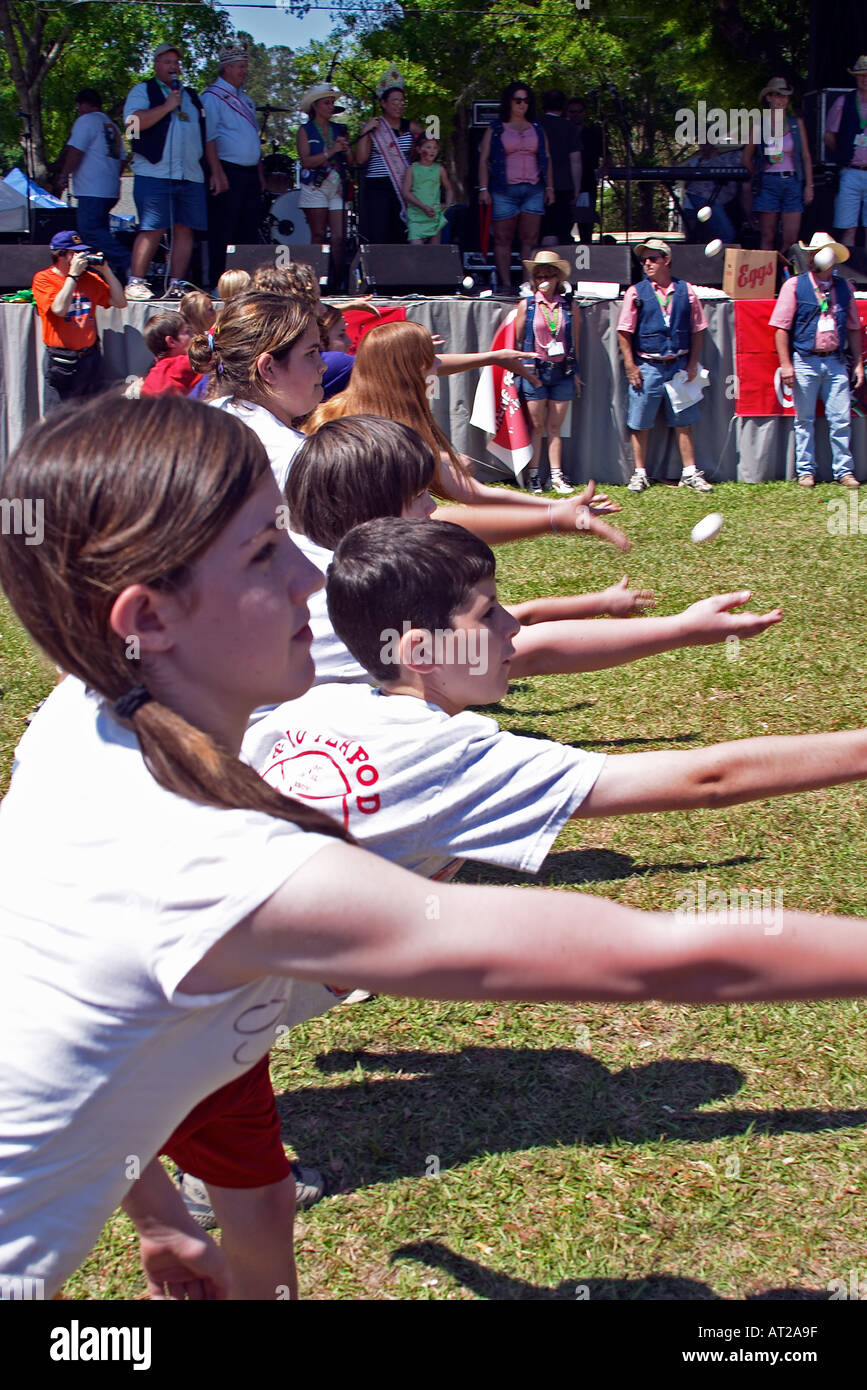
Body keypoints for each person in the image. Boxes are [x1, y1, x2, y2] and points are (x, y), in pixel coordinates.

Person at [190, 290, 325, 490]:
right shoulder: (295, 456)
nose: (323, 366)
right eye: (311, 353)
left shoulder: (202, 422)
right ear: (268, 368)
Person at [123, 42, 226, 302]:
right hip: (155, 171)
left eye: (176, 63)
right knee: (152, 227)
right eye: (167, 62)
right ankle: (136, 281)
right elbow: (132, 125)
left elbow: (208, 137)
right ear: (156, 65)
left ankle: (178, 284)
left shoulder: (191, 96)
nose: (173, 67)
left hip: (190, 174)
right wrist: (167, 106)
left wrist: (215, 170)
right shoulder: (142, 90)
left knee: (185, 229)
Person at [617, 238, 713, 493]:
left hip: (679, 364)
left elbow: (698, 329)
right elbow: (624, 331)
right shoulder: (636, 292)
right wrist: (630, 365)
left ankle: (690, 472)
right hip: (647, 364)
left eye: (652, 259)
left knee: (684, 420)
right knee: (640, 422)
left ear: (666, 260)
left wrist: (692, 363)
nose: (647, 264)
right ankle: (639, 473)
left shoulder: (687, 290)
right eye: (644, 260)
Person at [770, 232, 864, 488]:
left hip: (835, 361)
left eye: (818, 253)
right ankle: (805, 471)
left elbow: (854, 328)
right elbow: (781, 328)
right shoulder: (794, 285)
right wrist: (786, 364)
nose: (813, 258)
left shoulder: (844, 287)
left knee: (841, 419)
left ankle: (844, 471)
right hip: (805, 360)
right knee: (804, 420)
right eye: (811, 253)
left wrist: (857, 363)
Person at [31, 229, 126, 407]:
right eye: (75, 253)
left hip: (89, 358)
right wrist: (72, 276)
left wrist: (106, 271)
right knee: (58, 418)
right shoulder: (43, 279)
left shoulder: (90, 278)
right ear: (61, 255)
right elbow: (59, 309)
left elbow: (120, 302)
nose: (82, 256)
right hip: (62, 360)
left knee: (89, 416)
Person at [514, 251, 581, 495]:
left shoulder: (569, 306)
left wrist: (576, 372)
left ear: (558, 278)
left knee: (555, 427)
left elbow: (575, 339)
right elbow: (519, 339)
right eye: (539, 274)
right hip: (535, 370)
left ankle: (555, 476)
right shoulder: (527, 305)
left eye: (549, 274)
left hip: (562, 370)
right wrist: (520, 370)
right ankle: (534, 476)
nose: (543, 279)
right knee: (537, 426)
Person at [201, 43, 266, 289]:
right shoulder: (212, 97)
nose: (244, 71)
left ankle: (245, 283)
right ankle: (221, 284)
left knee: (247, 229)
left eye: (246, 66)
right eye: (240, 66)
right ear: (226, 68)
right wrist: (216, 172)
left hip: (249, 173)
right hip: (227, 170)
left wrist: (259, 171)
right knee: (224, 229)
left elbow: (252, 137)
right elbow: (210, 137)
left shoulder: (246, 100)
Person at [478, 82, 554, 292]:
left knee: (529, 239)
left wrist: (549, 187)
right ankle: (505, 284)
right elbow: (484, 159)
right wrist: (483, 189)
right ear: (509, 102)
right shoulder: (496, 128)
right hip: (504, 190)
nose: (522, 104)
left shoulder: (537, 128)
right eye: (518, 100)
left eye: (526, 100)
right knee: (503, 239)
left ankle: (527, 285)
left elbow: (547, 157)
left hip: (533, 189)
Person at [53, 88, 131, 281]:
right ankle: (104, 275)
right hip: (110, 188)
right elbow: (122, 160)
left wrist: (64, 174)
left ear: (83, 104)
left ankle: (127, 260)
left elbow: (76, 150)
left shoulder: (86, 121)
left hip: (92, 189)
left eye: (79, 106)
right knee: (98, 233)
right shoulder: (111, 125)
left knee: (90, 232)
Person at [742, 77, 812, 252]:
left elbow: (805, 155)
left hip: (793, 181)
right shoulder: (760, 124)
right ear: (769, 98)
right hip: (769, 183)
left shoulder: (796, 123)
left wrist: (809, 186)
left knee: (791, 238)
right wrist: (759, 175)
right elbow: (746, 157)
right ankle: (766, 276)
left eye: (785, 96)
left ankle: (787, 276)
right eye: (778, 95)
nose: (782, 100)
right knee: (768, 235)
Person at [353, 67, 422, 244]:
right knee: (380, 235)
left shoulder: (410, 126)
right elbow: (360, 158)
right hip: (378, 186)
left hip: (402, 185)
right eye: (394, 101)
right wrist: (366, 131)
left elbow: (429, 146)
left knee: (401, 234)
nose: (399, 105)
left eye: (402, 101)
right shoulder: (374, 126)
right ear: (383, 103)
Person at [296, 84, 352, 287]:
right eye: (326, 103)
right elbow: (306, 160)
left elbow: (351, 160)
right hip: (315, 185)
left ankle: (339, 280)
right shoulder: (305, 130)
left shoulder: (339, 129)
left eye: (332, 103)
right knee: (318, 234)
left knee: (339, 237)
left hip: (337, 185)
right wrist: (331, 151)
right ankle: (316, 280)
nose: (331, 107)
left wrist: (345, 149)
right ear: (316, 106)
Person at [823, 55, 867, 250]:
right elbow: (829, 137)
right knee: (849, 227)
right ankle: (848, 274)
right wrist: (844, 154)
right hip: (851, 171)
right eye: (861, 75)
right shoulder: (844, 101)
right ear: (856, 78)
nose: (865, 79)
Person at [538, 90, 582, 246]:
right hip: (563, 186)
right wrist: (576, 190)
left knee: (542, 230)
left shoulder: (534, 124)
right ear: (564, 106)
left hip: (537, 186)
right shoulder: (569, 126)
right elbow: (575, 161)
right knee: (560, 231)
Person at [682, 139, 744, 246]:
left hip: (715, 199)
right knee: (726, 235)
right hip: (700, 198)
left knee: (716, 234)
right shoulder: (696, 161)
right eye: (702, 144)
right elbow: (686, 185)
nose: (704, 147)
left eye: (707, 144)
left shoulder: (729, 155)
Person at [566, 97, 603, 244]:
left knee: (586, 227)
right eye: (572, 112)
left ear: (584, 113)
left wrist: (604, 169)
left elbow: (606, 155)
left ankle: (585, 263)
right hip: (565, 186)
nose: (575, 115)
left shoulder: (593, 133)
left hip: (587, 185)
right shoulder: (564, 132)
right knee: (564, 226)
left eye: (579, 111)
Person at [403, 135, 452, 245]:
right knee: (417, 251)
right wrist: (422, 206)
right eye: (428, 147)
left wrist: (447, 204)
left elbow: (449, 189)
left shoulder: (439, 169)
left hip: (434, 215)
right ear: (419, 149)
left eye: (435, 148)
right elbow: (406, 192)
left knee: (434, 253)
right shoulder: (412, 169)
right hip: (417, 216)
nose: (432, 151)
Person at [140, 311, 201, 396]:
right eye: (188, 332)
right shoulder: (183, 364)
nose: (195, 335)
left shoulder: (153, 375)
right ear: (171, 341)